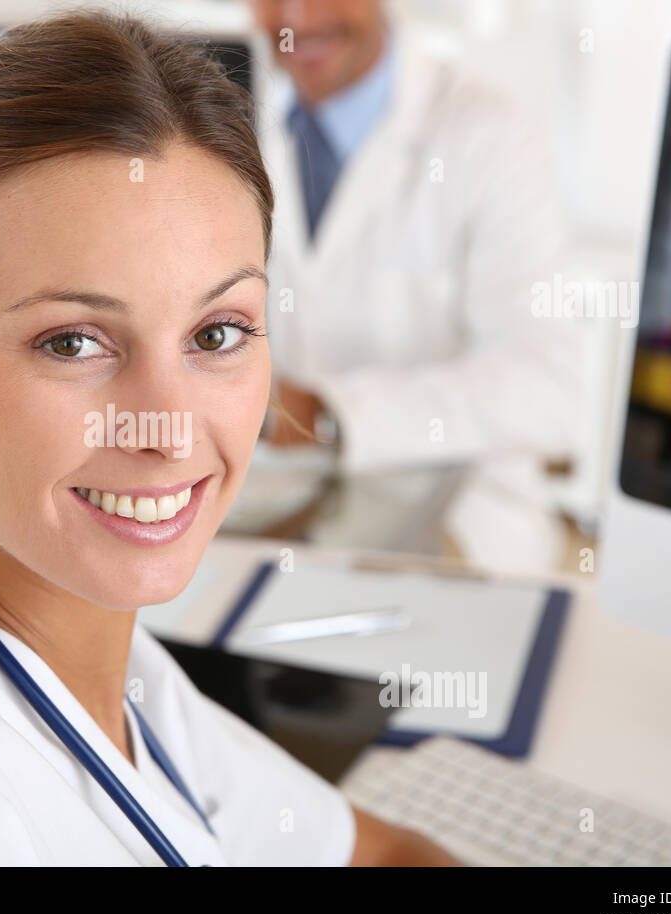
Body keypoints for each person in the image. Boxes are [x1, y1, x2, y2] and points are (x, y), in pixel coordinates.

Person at [0, 9, 458, 866]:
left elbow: (382, 856)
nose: (169, 429)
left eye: (216, 333)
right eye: (72, 342)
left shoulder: (101, 648)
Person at [247, 0, 585, 573]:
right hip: (280, 514)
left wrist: (327, 414)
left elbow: (547, 386)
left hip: (457, 528)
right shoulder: (226, 116)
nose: (297, 18)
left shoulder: (488, 132)